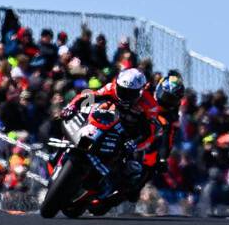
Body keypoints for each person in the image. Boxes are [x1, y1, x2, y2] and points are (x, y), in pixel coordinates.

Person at [61, 67, 169, 212]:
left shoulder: (149, 106)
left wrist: (135, 143)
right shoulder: (112, 87)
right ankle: (64, 147)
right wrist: (72, 106)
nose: (124, 94)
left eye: (130, 93)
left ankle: (106, 194)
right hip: (107, 121)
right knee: (70, 119)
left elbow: (148, 133)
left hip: (130, 135)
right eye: (122, 89)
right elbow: (90, 96)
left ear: (140, 92)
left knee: (133, 170)